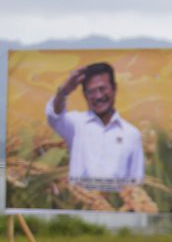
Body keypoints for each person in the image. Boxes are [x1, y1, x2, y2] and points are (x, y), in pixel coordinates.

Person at [46, 61, 144, 190]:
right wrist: (64, 91)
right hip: (80, 205)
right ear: (84, 95)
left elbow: (136, 183)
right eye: (91, 91)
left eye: (102, 89)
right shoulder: (76, 124)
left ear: (114, 88)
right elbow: (54, 116)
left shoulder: (131, 134)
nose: (98, 96)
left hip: (114, 207)